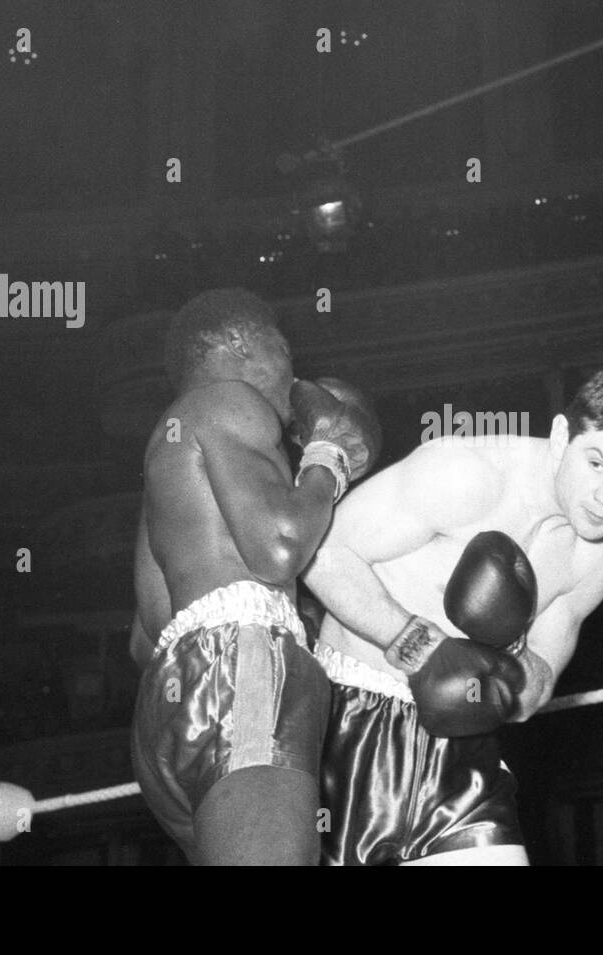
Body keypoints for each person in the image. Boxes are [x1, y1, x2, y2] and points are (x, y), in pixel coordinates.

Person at [302, 359, 603, 865]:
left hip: (466, 748)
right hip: (351, 722)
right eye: (598, 463)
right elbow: (320, 552)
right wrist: (416, 643)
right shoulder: (465, 473)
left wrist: (508, 643)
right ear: (560, 436)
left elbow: (534, 693)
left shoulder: (594, 558)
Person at [128, 288, 381, 865]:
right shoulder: (230, 400)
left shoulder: (166, 459)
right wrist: (329, 455)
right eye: (286, 351)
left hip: (167, 709)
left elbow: (145, 638)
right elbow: (279, 546)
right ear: (241, 343)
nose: (294, 376)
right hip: (239, 668)